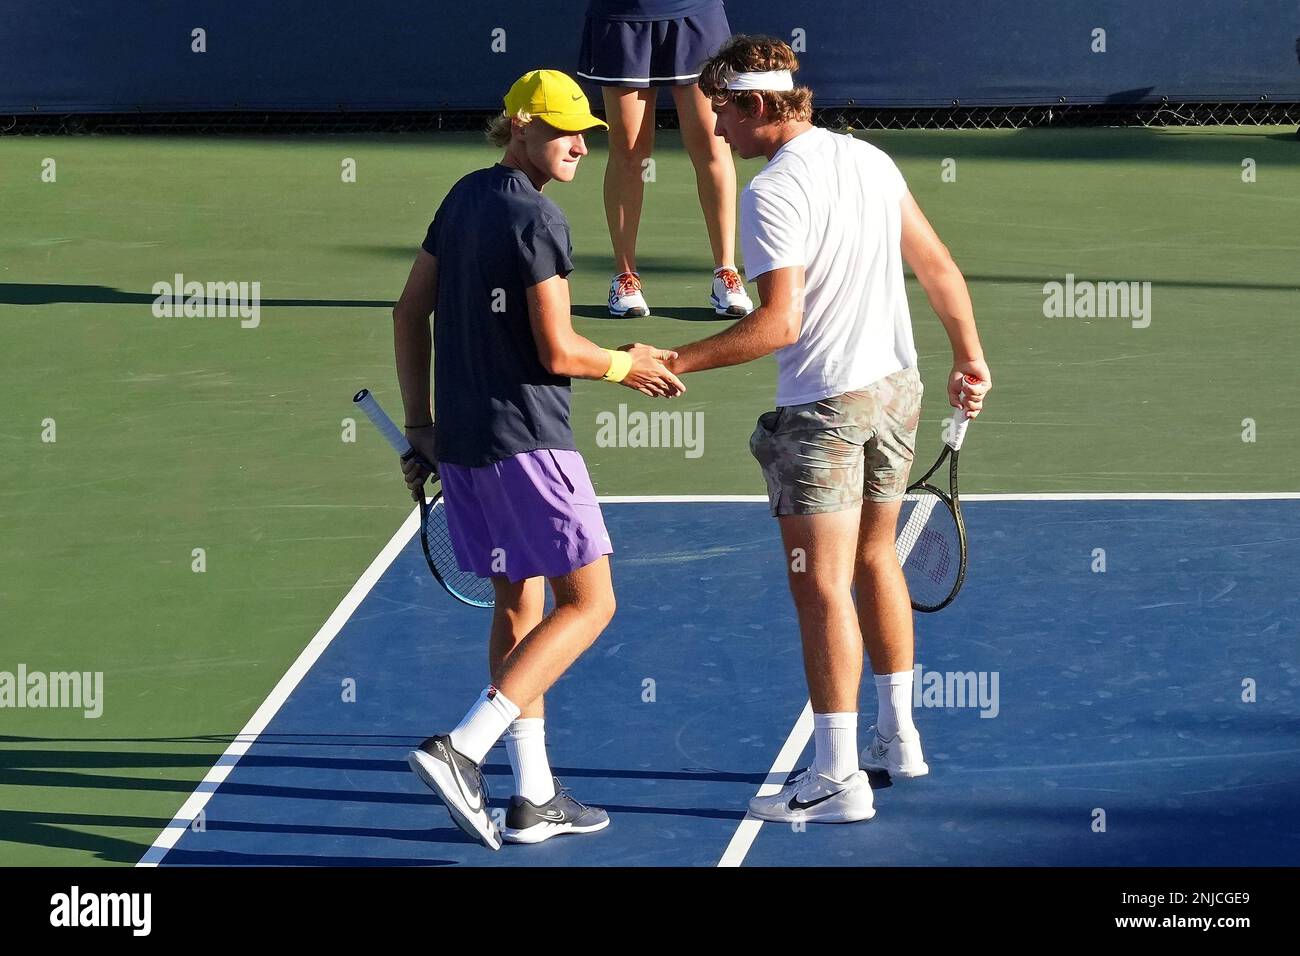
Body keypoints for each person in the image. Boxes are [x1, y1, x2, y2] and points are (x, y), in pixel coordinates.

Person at [666, 36, 992, 824]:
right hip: (896, 390)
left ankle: (838, 775)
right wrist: (971, 357)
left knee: (819, 586)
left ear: (755, 106)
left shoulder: (771, 193)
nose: (716, 133)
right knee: (877, 557)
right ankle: (898, 738)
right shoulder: (868, 159)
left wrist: (674, 357)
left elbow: (779, 324)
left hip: (827, 411)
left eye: (721, 115)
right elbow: (938, 264)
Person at [390, 69, 685, 849]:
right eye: (562, 131)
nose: (580, 146)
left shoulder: (463, 197)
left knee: (518, 608)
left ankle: (533, 796)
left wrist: (423, 425)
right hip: (529, 445)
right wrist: (629, 363)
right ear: (519, 126)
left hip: (465, 445)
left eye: (585, 131)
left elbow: (408, 309)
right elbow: (557, 349)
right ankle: (465, 746)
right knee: (591, 604)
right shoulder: (538, 221)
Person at [576, 0, 754, 318]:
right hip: (624, 15)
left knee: (713, 142)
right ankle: (625, 278)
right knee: (630, 149)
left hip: (694, 12)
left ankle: (726, 273)